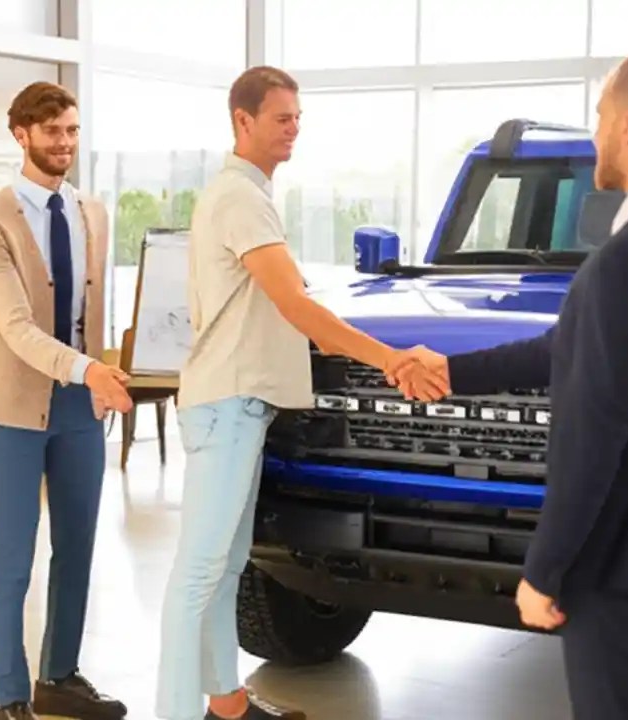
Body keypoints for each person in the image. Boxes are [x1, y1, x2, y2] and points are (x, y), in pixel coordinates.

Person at [394, 50, 628, 719]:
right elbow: (570, 348)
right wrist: (454, 370)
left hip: (626, 558)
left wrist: (544, 569)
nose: (597, 133)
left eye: (603, 115)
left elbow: (594, 433)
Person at [154, 66, 446, 720]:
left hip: (239, 406)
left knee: (225, 569)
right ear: (243, 120)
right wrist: (390, 358)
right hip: (226, 407)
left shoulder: (246, 194)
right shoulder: (240, 198)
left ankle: (226, 706)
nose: (294, 129)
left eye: (298, 118)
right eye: (282, 117)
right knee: (198, 577)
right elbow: (297, 307)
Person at [0, 81, 134, 720]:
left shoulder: (93, 212)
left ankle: (59, 676)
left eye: (71, 131)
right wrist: (90, 369)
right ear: (21, 135)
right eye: (51, 132)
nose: (64, 143)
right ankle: (9, 697)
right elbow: (14, 327)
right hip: (13, 405)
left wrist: (109, 370)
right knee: (12, 555)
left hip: (79, 405)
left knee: (79, 544)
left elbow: (93, 308)